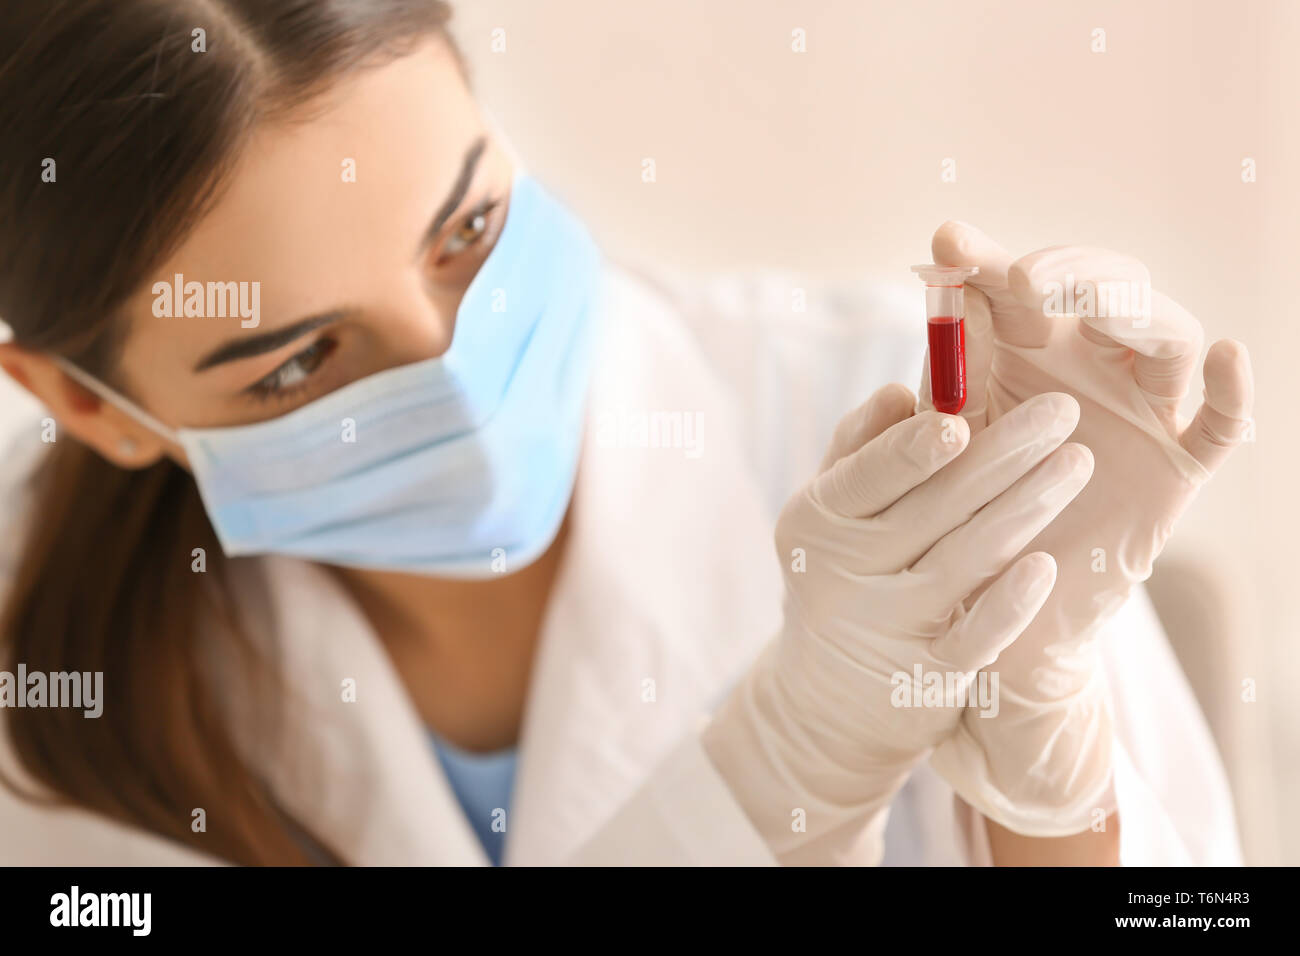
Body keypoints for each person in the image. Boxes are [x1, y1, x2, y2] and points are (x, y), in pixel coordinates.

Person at [0, 0, 1252, 866]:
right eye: (299, 362)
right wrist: (780, 770)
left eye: (468, 232)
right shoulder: (42, 666)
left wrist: (1060, 799)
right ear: (86, 405)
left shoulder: (914, 417)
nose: (456, 378)